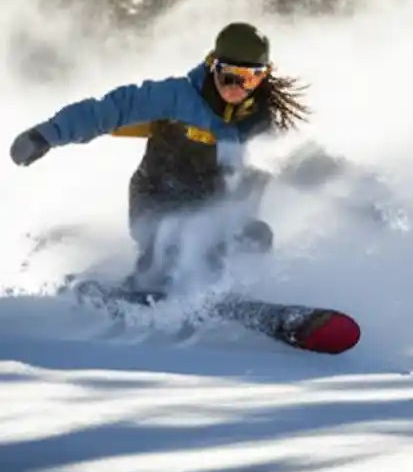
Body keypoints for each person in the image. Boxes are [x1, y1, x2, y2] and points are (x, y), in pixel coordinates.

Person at [9, 22, 309, 291]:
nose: (237, 87)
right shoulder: (178, 97)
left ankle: (230, 289)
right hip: (157, 195)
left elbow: (289, 159)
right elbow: (111, 109)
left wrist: (344, 189)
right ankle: (147, 285)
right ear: (212, 66)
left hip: (213, 204)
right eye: (229, 76)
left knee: (256, 232)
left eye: (249, 78)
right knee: (174, 239)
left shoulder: (259, 118)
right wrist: (45, 134)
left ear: (263, 78)